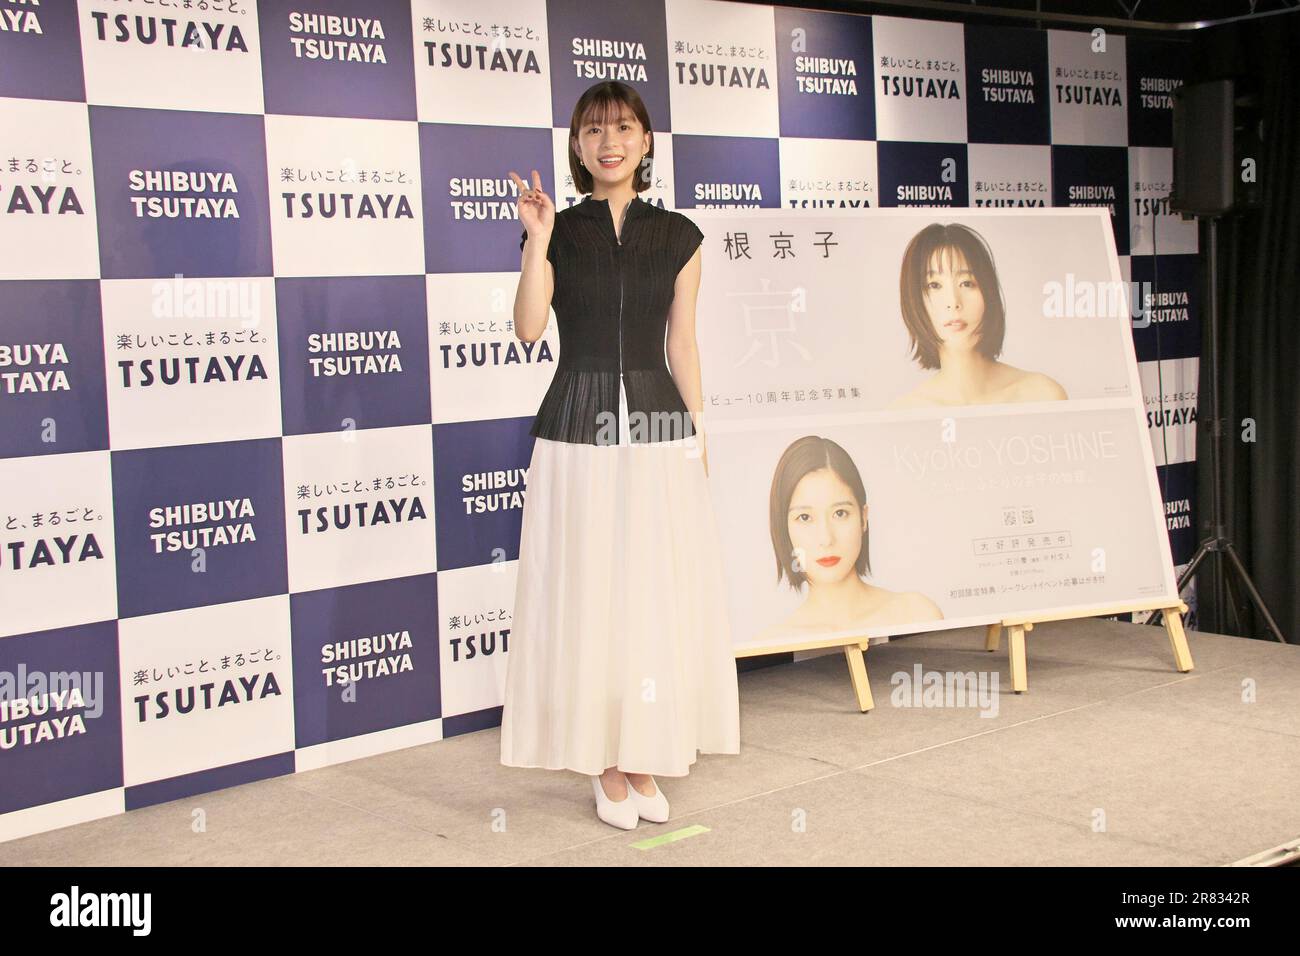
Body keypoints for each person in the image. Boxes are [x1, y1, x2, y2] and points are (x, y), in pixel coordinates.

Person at [499, 81, 740, 831]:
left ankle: (641, 753)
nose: (610, 141)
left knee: (649, 594)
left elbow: (684, 343)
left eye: (625, 128)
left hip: (660, 430)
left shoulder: (679, 235)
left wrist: (698, 433)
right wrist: (536, 241)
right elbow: (530, 329)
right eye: (595, 130)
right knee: (588, 591)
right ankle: (603, 762)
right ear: (577, 146)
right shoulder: (559, 231)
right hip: (575, 429)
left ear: (645, 142)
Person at [754, 435, 942, 645]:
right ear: (783, 527)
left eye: (840, 513)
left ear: (863, 518)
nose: (826, 539)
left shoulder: (916, 614)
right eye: (805, 518)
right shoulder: (772, 642)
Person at [888, 222, 1067, 408]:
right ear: (914, 300)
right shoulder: (904, 412)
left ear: (988, 292)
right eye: (934, 285)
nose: (953, 302)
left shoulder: (1043, 396)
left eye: (966, 283)